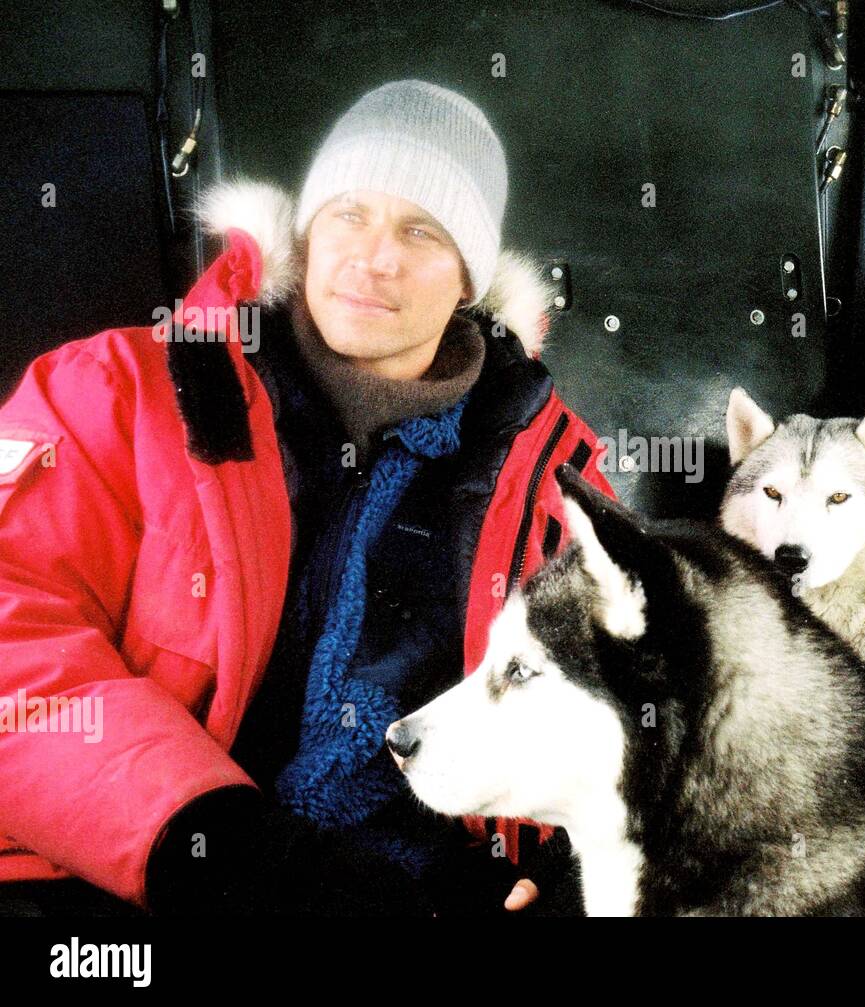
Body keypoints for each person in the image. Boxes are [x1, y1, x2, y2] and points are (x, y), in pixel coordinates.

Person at [0, 80, 613, 916]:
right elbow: (16, 635)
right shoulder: (117, 390)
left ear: (468, 276)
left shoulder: (552, 475)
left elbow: (627, 698)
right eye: (349, 213)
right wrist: (208, 841)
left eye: (423, 229)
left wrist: (584, 857)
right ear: (305, 232)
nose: (377, 255)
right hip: (144, 882)